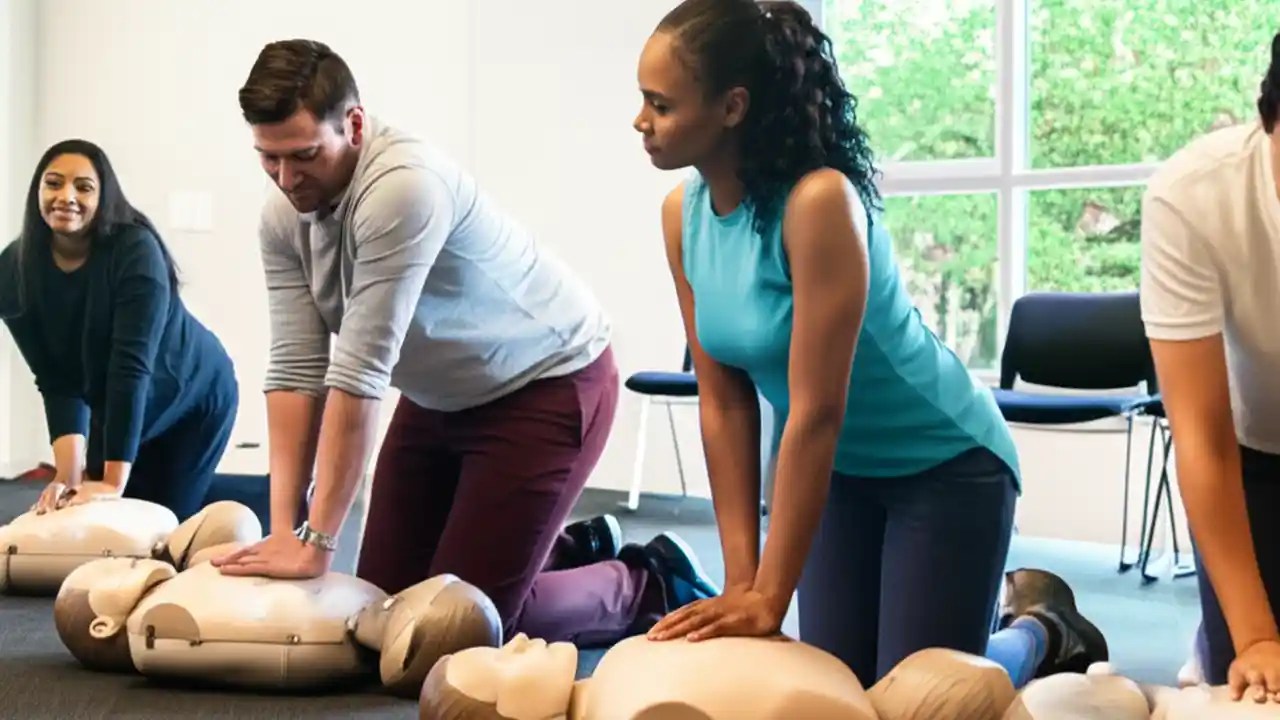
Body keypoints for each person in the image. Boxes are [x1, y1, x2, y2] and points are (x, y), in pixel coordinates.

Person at [632, 0, 1108, 689]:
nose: (641, 122)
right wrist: (742, 581)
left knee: (914, 698)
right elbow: (726, 402)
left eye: (660, 104)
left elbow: (816, 411)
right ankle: (1017, 632)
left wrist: (772, 596)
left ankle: (1038, 634)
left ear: (731, 107)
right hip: (838, 477)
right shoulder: (683, 216)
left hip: (943, 464)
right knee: (836, 692)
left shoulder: (818, 202)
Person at [210, 39, 719, 647]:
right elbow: (296, 371)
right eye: (269, 159)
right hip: (439, 398)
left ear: (354, 123)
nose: (287, 179)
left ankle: (649, 583)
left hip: (545, 386)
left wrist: (318, 544)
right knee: (380, 610)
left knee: (455, 629)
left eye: (304, 156)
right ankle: (563, 548)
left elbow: (359, 375)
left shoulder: (402, 189)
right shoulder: (282, 216)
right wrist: (283, 531)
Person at [1139, 31, 1280, 704]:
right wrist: (1255, 637)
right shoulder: (1194, 196)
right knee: (1252, 679)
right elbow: (1201, 436)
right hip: (1253, 454)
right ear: (1269, 120)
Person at [0, 139, 240, 522]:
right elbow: (54, 379)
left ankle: (266, 505)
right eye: (54, 183)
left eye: (83, 187)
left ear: (103, 196)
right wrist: (68, 476)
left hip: (192, 391)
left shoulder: (135, 251)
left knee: (162, 525)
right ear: (37, 192)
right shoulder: (14, 268)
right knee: (87, 503)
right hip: (121, 397)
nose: (66, 196)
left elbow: (130, 370)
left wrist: (108, 483)